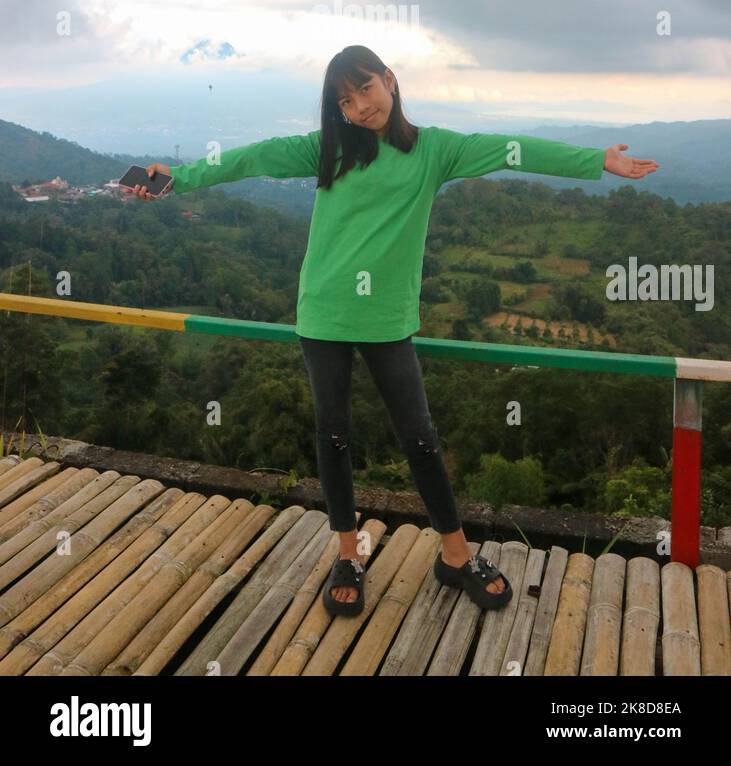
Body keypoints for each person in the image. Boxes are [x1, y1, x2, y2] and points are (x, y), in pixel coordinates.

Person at [124, 44, 659, 617]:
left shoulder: (435, 150)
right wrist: (178, 177)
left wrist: (594, 161)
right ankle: (347, 555)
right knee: (333, 434)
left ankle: (455, 556)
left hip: (387, 320)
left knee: (420, 438)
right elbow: (253, 159)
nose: (359, 106)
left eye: (366, 89)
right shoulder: (328, 149)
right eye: (345, 100)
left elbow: (512, 151)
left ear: (391, 80)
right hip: (325, 312)